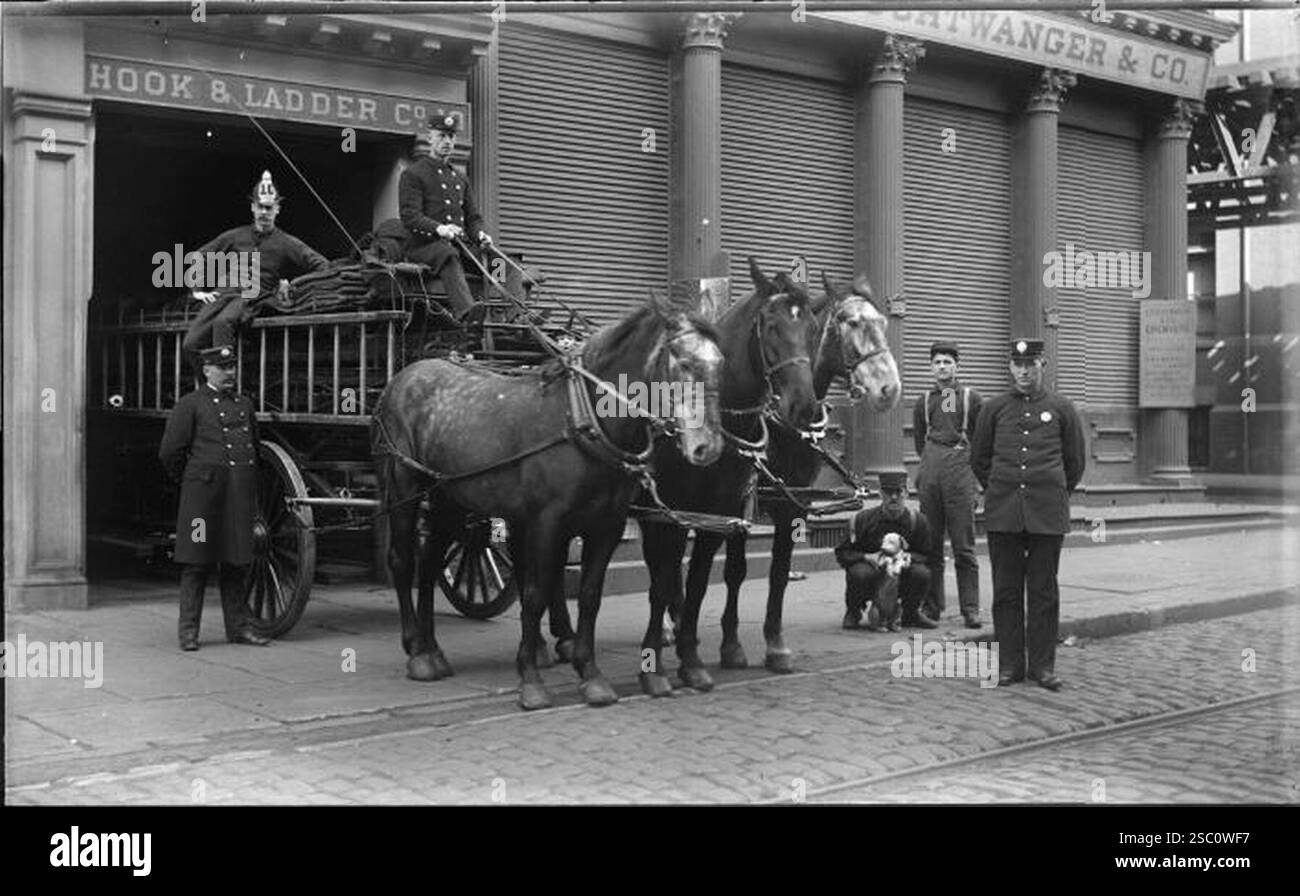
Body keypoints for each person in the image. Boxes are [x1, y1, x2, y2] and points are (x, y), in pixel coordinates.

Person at [970, 338, 1086, 690]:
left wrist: (1051, 492)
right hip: (1004, 511)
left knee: (1043, 591)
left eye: (1030, 365)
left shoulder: (1062, 408)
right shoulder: (994, 409)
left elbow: (1075, 462)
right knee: (1005, 591)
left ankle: (1042, 667)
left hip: (1046, 513)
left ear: (1042, 366)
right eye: (1018, 366)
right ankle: (1009, 666)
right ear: (1010, 367)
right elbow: (980, 459)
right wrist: (1001, 488)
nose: (1024, 372)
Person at [158, 344, 272, 651]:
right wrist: (194, 479)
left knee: (236, 561)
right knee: (195, 562)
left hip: (237, 496)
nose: (230, 373)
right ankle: (188, 633)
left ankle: (238, 629)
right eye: (223, 368)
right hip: (202, 500)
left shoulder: (244, 404)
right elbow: (170, 452)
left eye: (233, 367)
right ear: (206, 370)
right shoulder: (190, 404)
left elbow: (255, 449)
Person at [181, 171, 329, 362]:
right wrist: (197, 290)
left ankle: (225, 388)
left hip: (252, 298)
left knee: (223, 323)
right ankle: (209, 389)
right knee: (190, 344)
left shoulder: (286, 242)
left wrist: (293, 284)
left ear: (278, 209)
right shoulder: (234, 236)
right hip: (223, 295)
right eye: (260, 207)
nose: (264, 213)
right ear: (252, 207)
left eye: (269, 208)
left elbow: (322, 265)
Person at [913, 340, 984, 629]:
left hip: (960, 475)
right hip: (931, 473)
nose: (942, 367)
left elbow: (982, 442)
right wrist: (933, 465)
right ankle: (933, 606)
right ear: (931, 367)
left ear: (957, 365)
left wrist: (974, 480)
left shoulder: (971, 398)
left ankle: (970, 608)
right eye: (937, 362)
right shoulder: (923, 401)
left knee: (964, 547)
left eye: (947, 362)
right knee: (931, 546)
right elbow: (921, 443)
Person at [398, 113, 494, 323]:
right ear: (429, 138)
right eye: (441, 136)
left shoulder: (460, 178)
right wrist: (440, 229)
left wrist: (481, 235)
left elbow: (473, 217)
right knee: (448, 253)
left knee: (499, 263)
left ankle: (513, 313)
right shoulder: (413, 174)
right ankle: (468, 314)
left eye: (451, 137)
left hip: (459, 246)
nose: (447, 141)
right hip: (424, 247)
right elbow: (410, 217)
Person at [834, 472, 936, 632]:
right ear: (881, 494)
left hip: (900, 573)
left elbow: (927, 554)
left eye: (898, 492)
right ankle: (854, 611)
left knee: (921, 574)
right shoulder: (862, 520)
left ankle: (910, 613)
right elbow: (842, 553)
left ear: (906, 493)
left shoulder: (917, 521)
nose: (894, 497)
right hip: (872, 572)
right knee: (859, 573)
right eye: (888, 493)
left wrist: (907, 557)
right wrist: (866, 557)